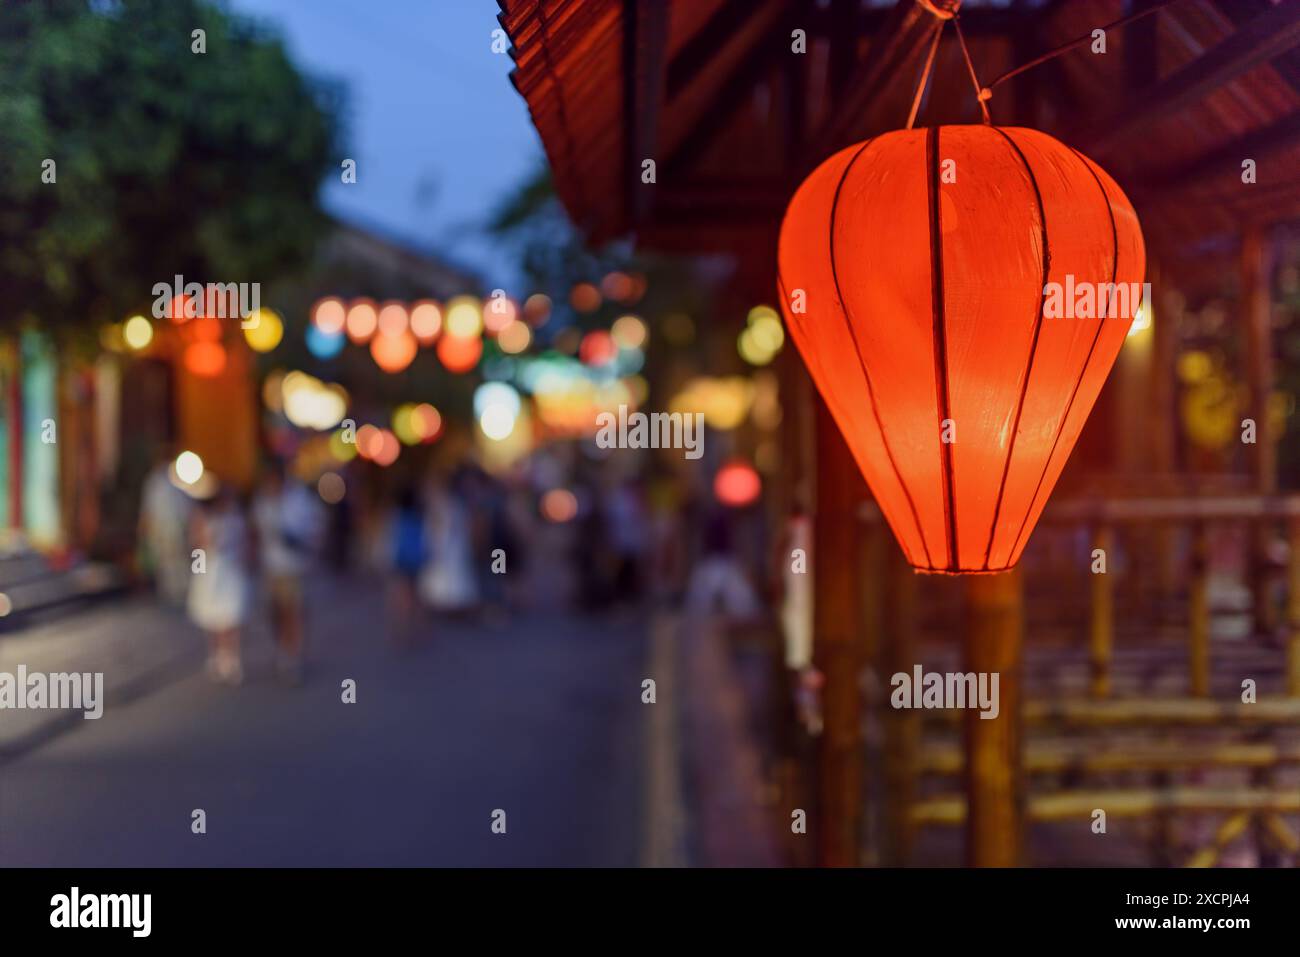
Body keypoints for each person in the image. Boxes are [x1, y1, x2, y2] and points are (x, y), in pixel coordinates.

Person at [252, 462, 320, 683]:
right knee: (276, 612)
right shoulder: (263, 502)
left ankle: (294, 657)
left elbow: (313, 527)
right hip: (271, 566)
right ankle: (283, 651)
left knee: (294, 611)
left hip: (294, 566)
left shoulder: (299, 499)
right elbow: (257, 532)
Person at [188, 484, 251, 684]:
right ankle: (217, 655)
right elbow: (196, 548)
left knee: (230, 616)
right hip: (210, 574)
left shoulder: (236, 519)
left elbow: (245, 546)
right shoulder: (203, 519)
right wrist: (198, 572)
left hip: (230, 573)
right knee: (213, 617)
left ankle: (231, 656)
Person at [138, 448, 192, 607]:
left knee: (177, 560)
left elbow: (185, 507)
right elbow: (148, 508)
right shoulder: (154, 482)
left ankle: (179, 590)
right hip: (162, 529)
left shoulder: (176, 481)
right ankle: (170, 591)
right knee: (165, 561)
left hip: (174, 528)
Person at [388, 485, 429, 637]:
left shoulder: (397, 516)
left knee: (401, 593)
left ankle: (402, 627)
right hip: (417, 557)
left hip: (402, 557)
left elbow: (392, 538)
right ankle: (420, 626)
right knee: (417, 593)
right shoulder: (419, 515)